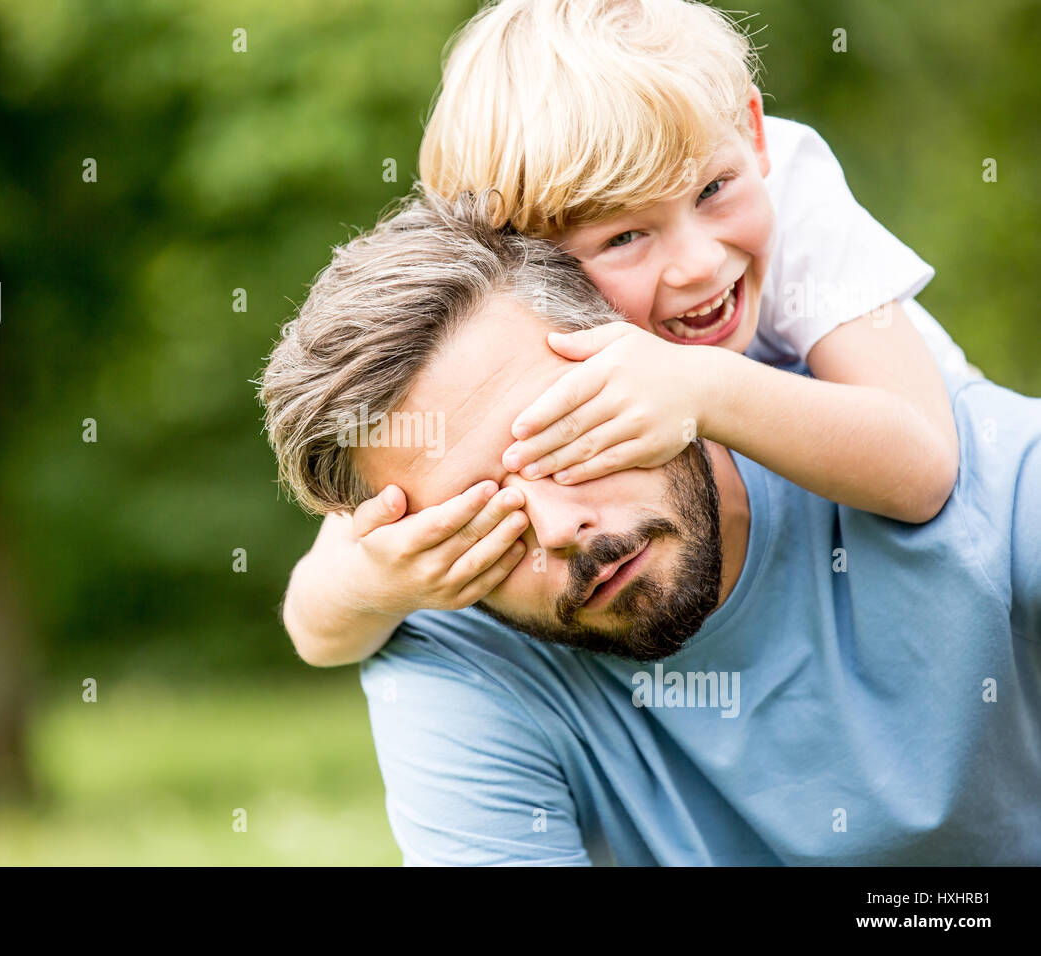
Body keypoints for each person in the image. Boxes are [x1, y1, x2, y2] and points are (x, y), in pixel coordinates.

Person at [258, 191, 1041, 865]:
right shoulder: (457, 666)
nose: (564, 528)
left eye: (566, 437)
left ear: (644, 349)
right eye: (483, 516)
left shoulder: (980, 475)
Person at [282, 0, 980, 667]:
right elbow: (318, 632)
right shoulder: (505, 328)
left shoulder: (792, 194)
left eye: (713, 190)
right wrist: (370, 588)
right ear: (528, 255)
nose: (702, 262)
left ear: (753, 133)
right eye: (624, 237)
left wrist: (706, 391)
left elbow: (922, 470)